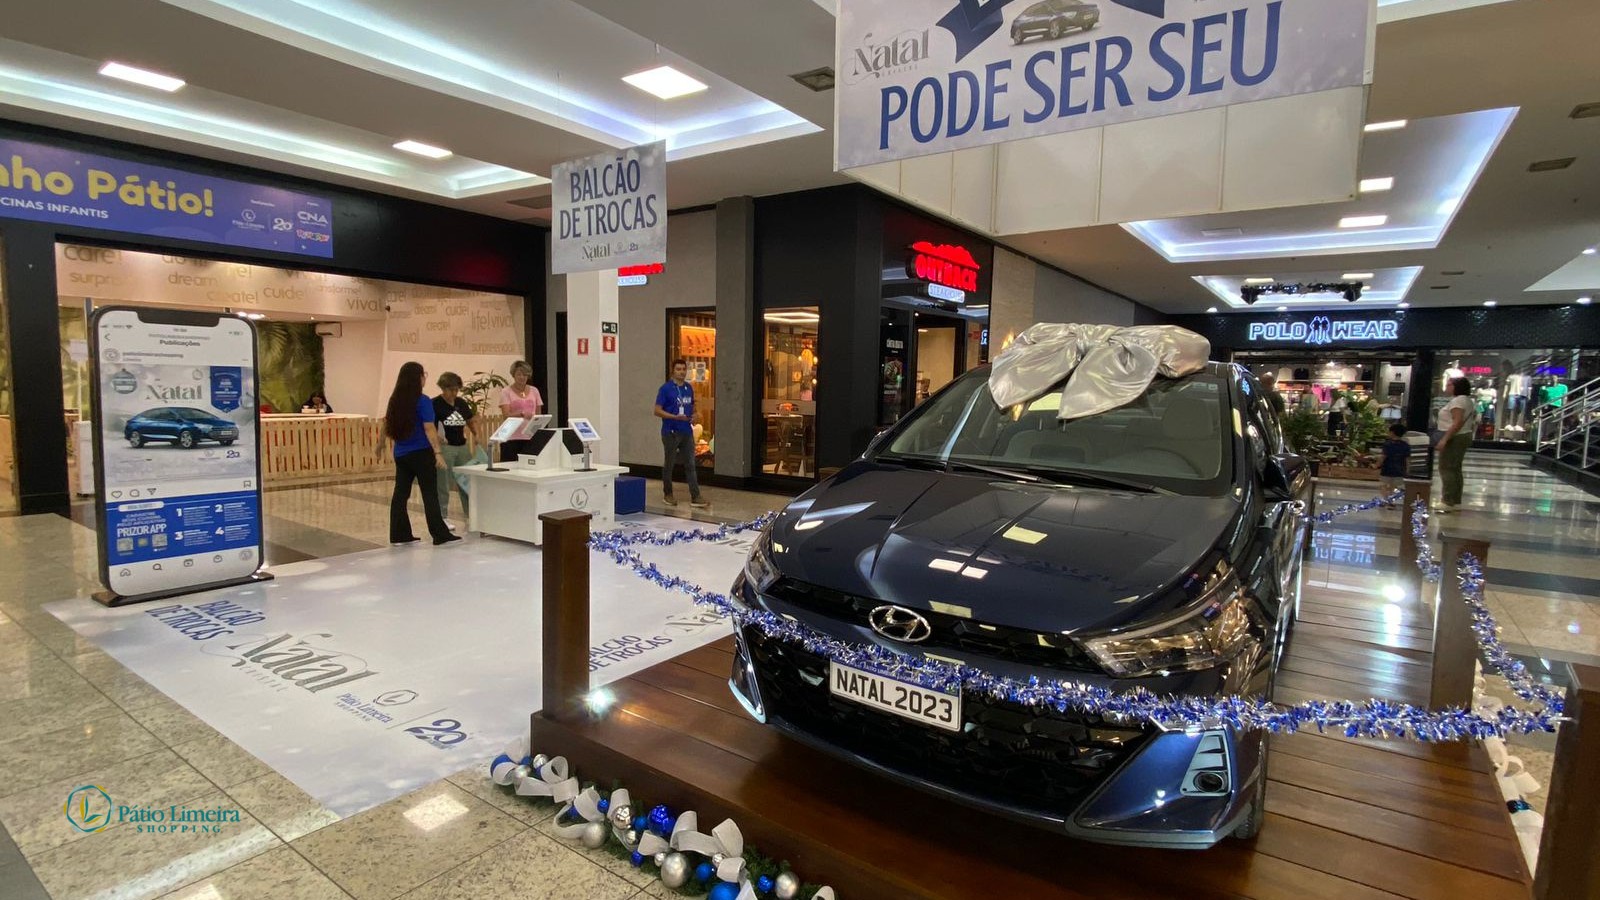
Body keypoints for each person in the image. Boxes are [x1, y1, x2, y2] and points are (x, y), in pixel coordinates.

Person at [384, 362, 460, 546]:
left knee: (400, 494)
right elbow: (429, 428)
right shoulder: (422, 400)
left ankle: (399, 534)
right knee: (429, 494)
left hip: (401, 453)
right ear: (418, 378)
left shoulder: (395, 400)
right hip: (421, 453)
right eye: (423, 374)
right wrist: (438, 452)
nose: (425, 378)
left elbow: (387, 424)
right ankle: (439, 534)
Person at [654, 358, 708, 508]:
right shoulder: (665, 389)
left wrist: (696, 414)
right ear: (673, 371)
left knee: (690, 464)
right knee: (670, 464)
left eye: (684, 369)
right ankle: (668, 493)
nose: (681, 372)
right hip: (671, 431)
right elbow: (657, 410)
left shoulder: (688, 388)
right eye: (678, 369)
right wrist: (674, 417)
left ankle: (695, 496)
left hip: (686, 431)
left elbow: (692, 406)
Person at [433, 372, 477, 523]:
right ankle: (443, 515)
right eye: (450, 389)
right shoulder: (435, 404)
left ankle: (471, 513)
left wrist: (476, 434)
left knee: (466, 480)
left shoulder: (461, 403)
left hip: (462, 446)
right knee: (443, 482)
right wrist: (436, 440)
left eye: (456, 390)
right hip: (446, 448)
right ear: (443, 388)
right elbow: (429, 427)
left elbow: (470, 420)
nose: (454, 393)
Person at [1433, 376, 1478, 514]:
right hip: (1462, 436)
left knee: (1446, 468)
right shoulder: (1466, 400)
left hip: (1455, 437)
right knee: (1455, 469)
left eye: (1449, 384)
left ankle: (1447, 501)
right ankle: (1455, 500)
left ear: (1456, 386)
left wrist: (1445, 439)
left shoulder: (1458, 401)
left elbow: (1457, 422)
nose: (1447, 386)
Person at [498, 360, 542, 461]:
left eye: (525, 375)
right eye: (519, 374)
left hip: (530, 436)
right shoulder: (506, 392)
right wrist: (521, 414)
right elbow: (506, 415)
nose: (522, 377)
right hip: (512, 437)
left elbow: (539, 414)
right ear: (513, 375)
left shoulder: (534, 391)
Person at [1379, 423, 1410, 508]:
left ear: (1392, 432)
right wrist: (1407, 470)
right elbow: (1407, 459)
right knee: (1393, 486)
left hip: (1387, 468)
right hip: (1399, 469)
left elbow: (1383, 456)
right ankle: (1391, 501)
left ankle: (1384, 500)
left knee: (1384, 485)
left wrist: (1377, 464)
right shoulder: (1405, 445)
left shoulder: (1387, 444)